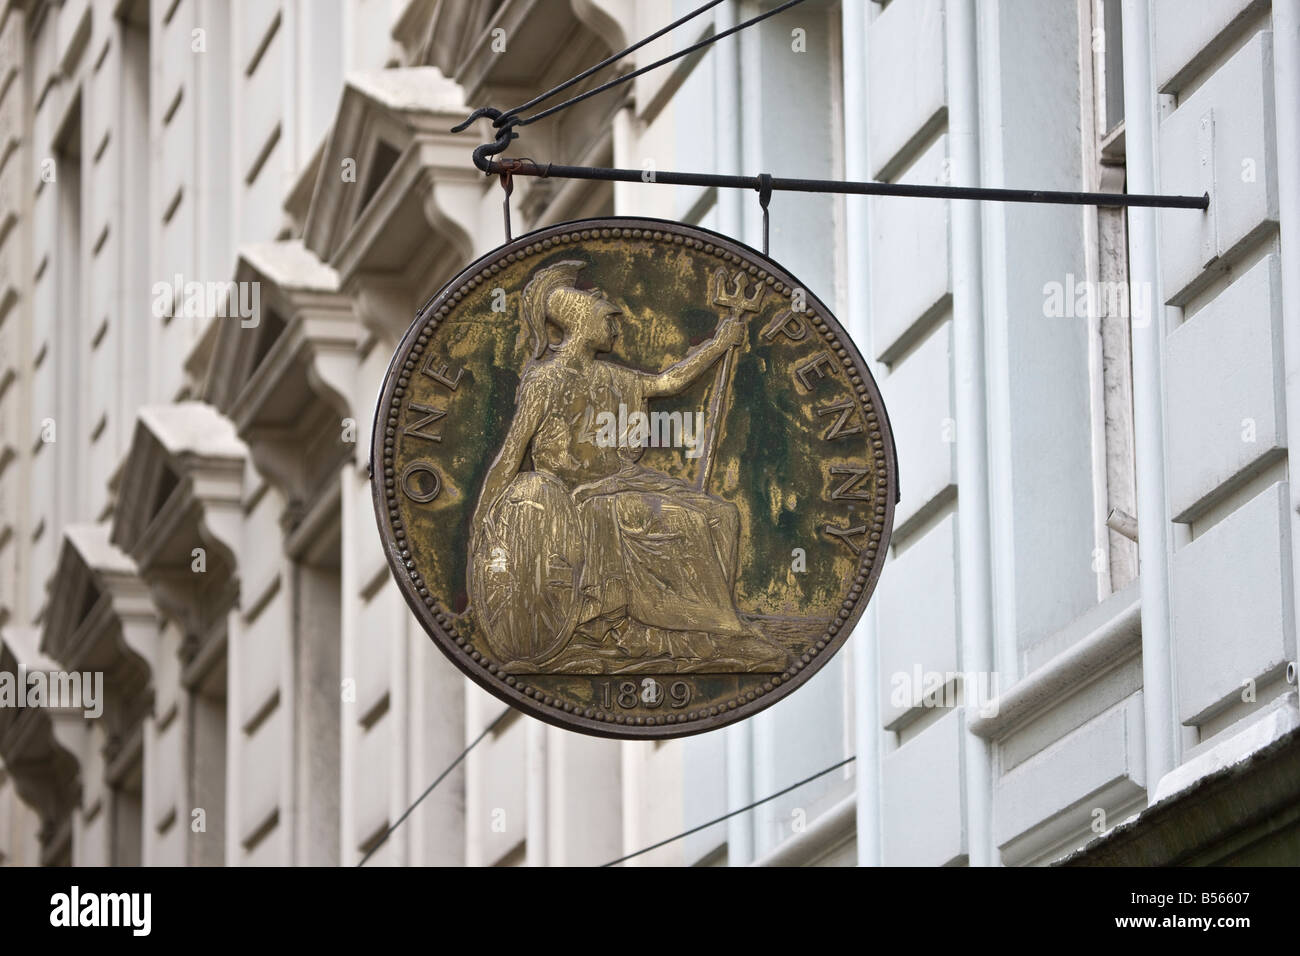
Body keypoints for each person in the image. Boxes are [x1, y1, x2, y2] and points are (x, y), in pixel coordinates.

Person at [471, 260, 786, 669]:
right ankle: (712, 633)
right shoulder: (544, 382)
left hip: (622, 480)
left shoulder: (613, 376)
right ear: (582, 323)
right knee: (680, 520)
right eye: (608, 320)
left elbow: (668, 383)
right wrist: (484, 517)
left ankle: (706, 628)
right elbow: (512, 453)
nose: (617, 329)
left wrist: (720, 344)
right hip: (576, 498)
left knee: (722, 514)